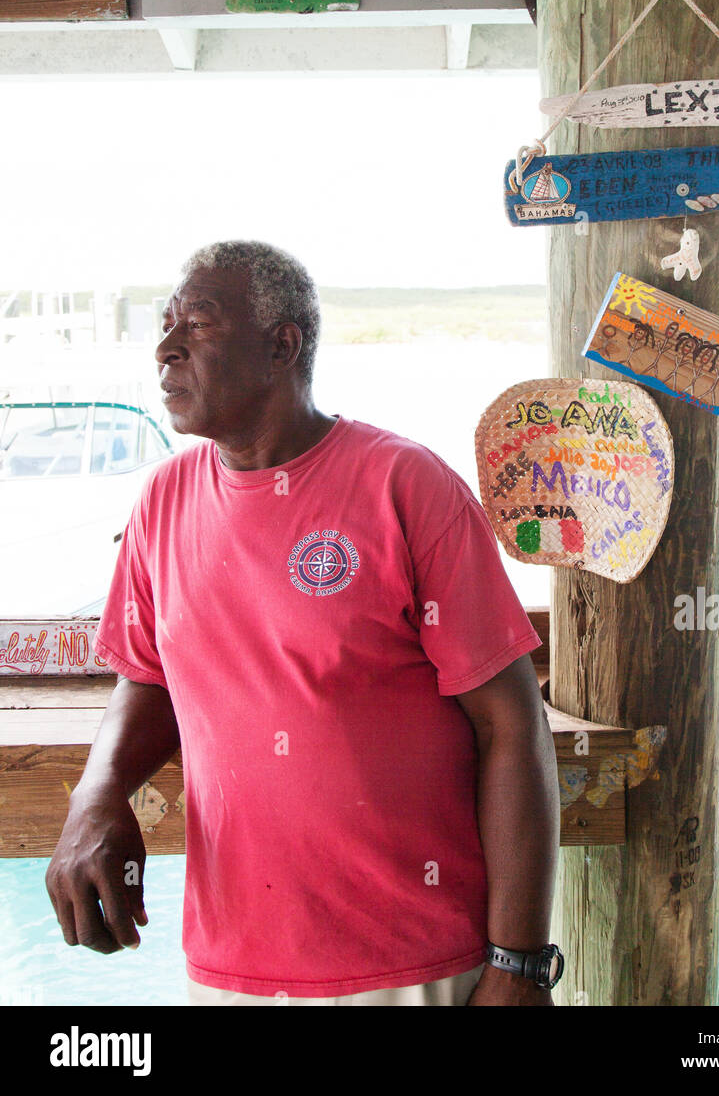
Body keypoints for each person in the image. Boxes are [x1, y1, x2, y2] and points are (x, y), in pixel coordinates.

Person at [45, 240, 562, 1007]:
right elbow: (149, 678)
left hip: (412, 968)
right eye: (165, 323)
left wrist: (517, 964)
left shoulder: (404, 486)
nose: (164, 347)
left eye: (198, 323)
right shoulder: (162, 502)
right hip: (229, 971)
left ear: (281, 344)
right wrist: (97, 791)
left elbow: (512, 727)